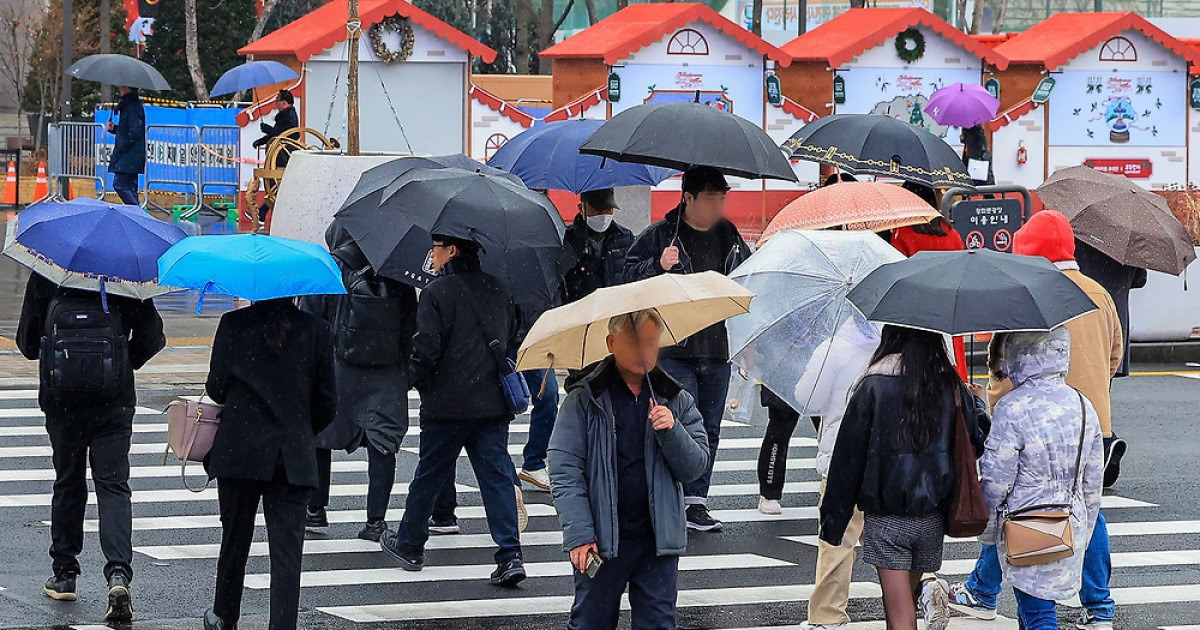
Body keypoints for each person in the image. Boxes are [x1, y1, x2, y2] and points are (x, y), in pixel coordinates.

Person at [948, 211, 1119, 628]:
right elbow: (1115, 354)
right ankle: (1098, 606)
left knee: (1018, 506)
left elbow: (1005, 367)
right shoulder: (1098, 293)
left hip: (1033, 428)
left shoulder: (1028, 297)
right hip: (1089, 417)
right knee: (1083, 507)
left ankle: (986, 591)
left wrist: (993, 399)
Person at [16, 273, 164, 621]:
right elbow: (152, 337)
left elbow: (26, 342)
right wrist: (121, 363)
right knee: (113, 486)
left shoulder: (48, 272)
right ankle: (117, 574)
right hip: (113, 400)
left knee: (68, 481)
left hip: (62, 401)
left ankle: (65, 573)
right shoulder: (124, 274)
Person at [548, 309, 710, 629]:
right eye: (633, 342)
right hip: (602, 538)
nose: (643, 351)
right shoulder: (584, 399)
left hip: (656, 540)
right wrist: (580, 535)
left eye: (650, 343)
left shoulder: (675, 398)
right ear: (611, 342)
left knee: (658, 624)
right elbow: (565, 470)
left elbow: (696, 467)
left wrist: (672, 431)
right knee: (591, 623)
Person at [380, 234, 526, 586]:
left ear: (452, 251)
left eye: (436, 247)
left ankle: (411, 544)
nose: (432, 254)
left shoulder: (436, 293)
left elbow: (425, 349)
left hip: (446, 406)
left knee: (430, 473)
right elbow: (511, 338)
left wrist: (422, 381)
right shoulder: (499, 288)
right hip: (491, 404)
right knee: (496, 478)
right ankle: (510, 555)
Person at [820, 324, 986, 630]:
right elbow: (976, 438)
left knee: (899, 616)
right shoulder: (948, 382)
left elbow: (847, 459)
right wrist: (975, 401)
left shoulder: (873, 385)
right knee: (906, 602)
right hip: (933, 515)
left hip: (888, 517)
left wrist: (834, 521)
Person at [624, 166, 749, 532]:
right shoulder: (662, 235)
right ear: (688, 198)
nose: (718, 207)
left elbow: (745, 275)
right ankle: (668, 497)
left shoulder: (729, 235)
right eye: (711, 200)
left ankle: (697, 502)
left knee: (709, 428)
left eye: (722, 199)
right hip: (672, 349)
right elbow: (627, 279)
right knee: (676, 425)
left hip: (716, 347)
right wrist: (658, 266)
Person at [202, 298, 336, 630]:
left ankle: (224, 616)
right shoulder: (317, 330)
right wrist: (299, 430)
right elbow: (327, 402)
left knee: (234, 539)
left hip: (240, 451)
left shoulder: (234, 325)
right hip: (291, 456)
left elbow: (216, 389)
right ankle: (282, 624)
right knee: (287, 554)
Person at [976, 329, 1104, 629]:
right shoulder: (1084, 405)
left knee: (1038, 614)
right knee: (1034, 610)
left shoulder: (1012, 407)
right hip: (1068, 523)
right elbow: (1092, 481)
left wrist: (987, 531)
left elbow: (996, 479)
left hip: (1025, 524)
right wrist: (1083, 529)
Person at [301, 227, 417, 541]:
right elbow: (411, 327)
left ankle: (315, 510)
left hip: (337, 369)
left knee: (320, 436)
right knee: (382, 444)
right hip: (386, 373)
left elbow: (310, 324)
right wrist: (405, 373)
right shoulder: (396, 271)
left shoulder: (326, 269)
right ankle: (375, 520)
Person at [1074, 239, 1146, 485]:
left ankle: (1101, 446)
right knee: (1101, 392)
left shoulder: (1079, 235)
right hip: (1114, 320)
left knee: (1077, 393)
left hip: (1084, 316)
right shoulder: (1128, 237)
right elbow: (1140, 279)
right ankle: (1105, 440)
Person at [889, 182, 968, 383]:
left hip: (916, 316)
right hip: (949, 312)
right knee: (953, 373)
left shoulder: (903, 232)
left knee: (921, 376)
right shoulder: (951, 233)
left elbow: (897, 276)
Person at [251, 90, 299, 227]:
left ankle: (263, 213)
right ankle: (262, 212)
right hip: (278, 153)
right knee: (274, 187)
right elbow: (276, 135)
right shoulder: (284, 115)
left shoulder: (288, 115)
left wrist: (267, 129)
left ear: (284, 102)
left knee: (275, 186)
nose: (275, 103)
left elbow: (282, 135)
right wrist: (260, 141)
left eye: (277, 100)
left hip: (282, 155)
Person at [106, 86, 146, 207]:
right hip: (132, 154)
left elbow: (134, 132)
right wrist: (115, 129)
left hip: (129, 154)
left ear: (127, 88)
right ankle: (136, 216)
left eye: (122, 87)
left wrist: (122, 144)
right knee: (130, 187)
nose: (119, 90)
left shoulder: (132, 107)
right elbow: (129, 130)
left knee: (119, 184)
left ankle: (136, 211)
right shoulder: (130, 106)